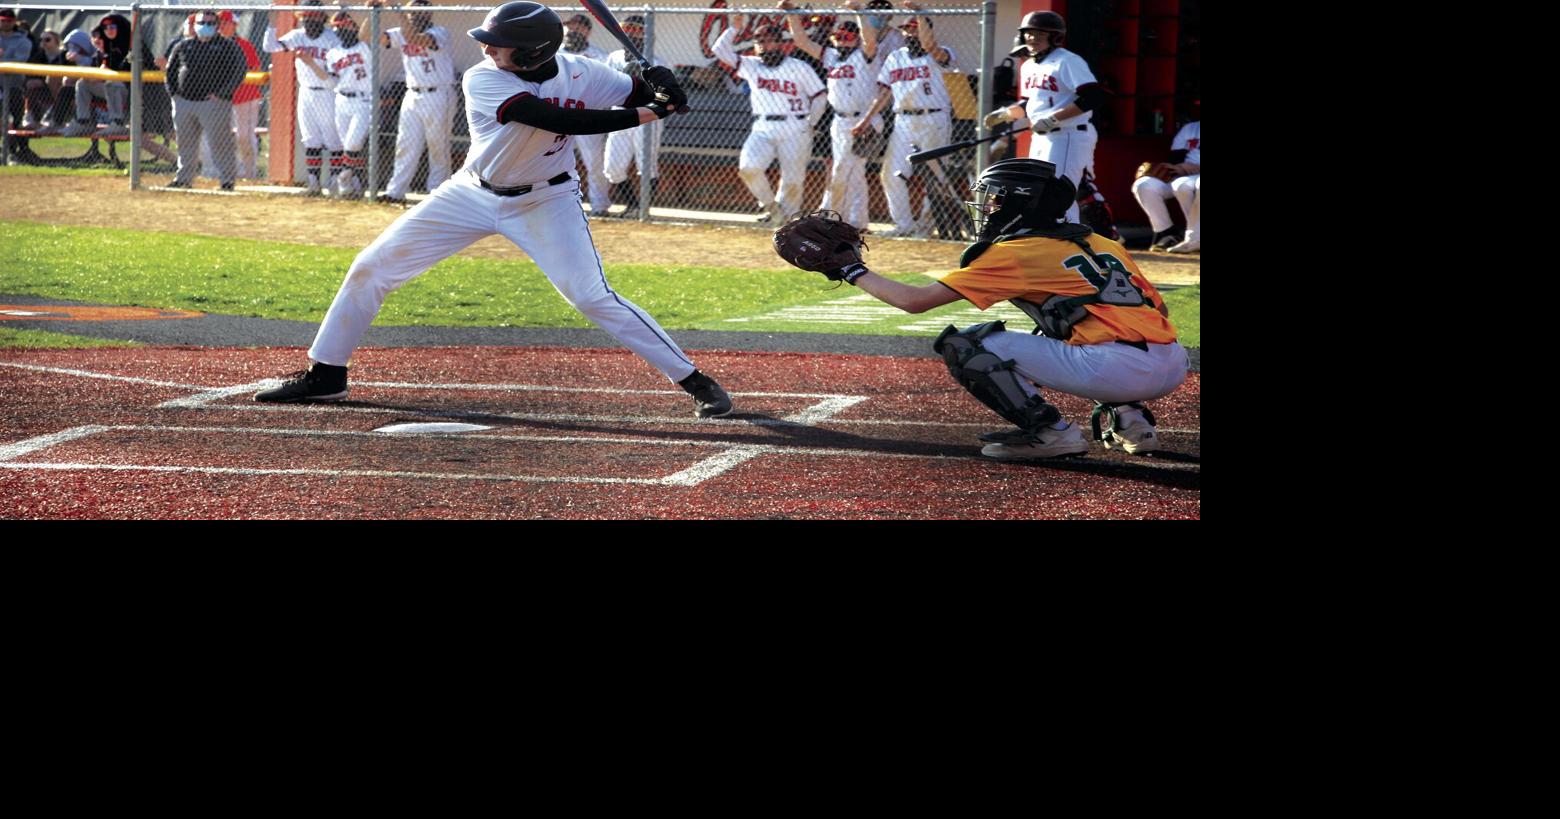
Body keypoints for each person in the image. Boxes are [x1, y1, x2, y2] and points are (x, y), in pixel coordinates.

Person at [253, 2, 733, 421]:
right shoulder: (484, 78)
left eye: (498, 44)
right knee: (370, 267)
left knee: (590, 297)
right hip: (470, 194)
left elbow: (635, 93)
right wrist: (652, 110)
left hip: (547, 199)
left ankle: (695, 381)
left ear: (532, 51)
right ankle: (327, 372)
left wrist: (660, 84)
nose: (487, 49)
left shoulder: (584, 73)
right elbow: (556, 119)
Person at [786, 158, 1187, 460]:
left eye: (994, 199)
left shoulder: (1014, 253)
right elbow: (1159, 307)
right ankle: (1133, 422)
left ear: (1019, 205)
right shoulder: (1103, 242)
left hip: (1118, 369)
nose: (988, 207)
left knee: (967, 346)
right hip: (1172, 361)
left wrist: (851, 268)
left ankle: (1052, 434)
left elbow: (913, 302)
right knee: (1060, 321)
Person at [981, 11, 1121, 241]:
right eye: (1028, 33)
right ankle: (1068, 238)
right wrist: (1006, 113)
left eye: (1039, 33)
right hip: (1043, 137)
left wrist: (1055, 118)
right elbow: (1030, 104)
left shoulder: (1068, 60)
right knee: (1042, 189)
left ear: (1055, 36)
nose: (1032, 38)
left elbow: (1093, 96)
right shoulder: (1028, 65)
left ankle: (1082, 239)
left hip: (1069, 134)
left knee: (1061, 191)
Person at [781, 0, 890, 231]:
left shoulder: (865, 54)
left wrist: (860, 12)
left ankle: (833, 218)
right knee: (855, 171)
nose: (841, 39)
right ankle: (857, 221)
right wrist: (791, 14)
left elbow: (869, 39)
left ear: (855, 38)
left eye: (847, 36)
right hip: (839, 121)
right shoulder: (830, 55)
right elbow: (801, 41)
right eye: (838, 36)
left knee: (843, 168)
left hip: (865, 120)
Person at [851, 5, 959, 238]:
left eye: (916, 28)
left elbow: (930, 46)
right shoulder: (895, 57)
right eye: (908, 30)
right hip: (903, 121)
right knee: (890, 173)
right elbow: (884, 93)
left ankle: (927, 226)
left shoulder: (941, 53)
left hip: (934, 118)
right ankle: (904, 225)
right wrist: (866, 120)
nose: (911, 33)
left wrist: (920, 13)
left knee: (936, 174)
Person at [713, 15, 826, 224]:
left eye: (769, 40)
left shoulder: (799, 66)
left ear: (781, 43)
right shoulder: (751, 65)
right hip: (762, 126)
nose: (764, 46)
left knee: (793, 178)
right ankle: (772, 208)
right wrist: (734, 29)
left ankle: (787, 220)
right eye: (759, 42)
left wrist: (811, 123)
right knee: (748, 167)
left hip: (796, 124)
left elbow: (820, 95)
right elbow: (719, 50)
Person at [378, 0, 456, 205]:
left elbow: (415, 39)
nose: (413, 16)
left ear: (428, 15)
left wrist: (398, 10)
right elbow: (367, 37)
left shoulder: (440, 33)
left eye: (418, 13)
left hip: (438, 93)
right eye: (412, 13)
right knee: (405, 144)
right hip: (411, 94)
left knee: (437, 146)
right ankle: (395, 191)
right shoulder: (400, 30)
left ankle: (437, 193)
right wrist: (373, 11)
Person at [264, 0, 343, 195]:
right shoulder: (298, 35)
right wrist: (272, 24)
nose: (308, 23)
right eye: (305, 18)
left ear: (322, 20)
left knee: (332, 139)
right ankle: (313, 183)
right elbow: (270, 47)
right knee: (310, 138)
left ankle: (334, 183)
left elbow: (336, 73)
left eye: (313, 18)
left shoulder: (332, 38)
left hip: (328, 93)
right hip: (306, 91)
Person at [165, 8, 247, 190]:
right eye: (201, 23)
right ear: (194, 25)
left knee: (220, 143)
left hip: (214, 103)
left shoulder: (228, 46)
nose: (205, 26)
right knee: (185, 143)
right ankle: (183, 179)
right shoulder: (183, 45)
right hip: (184, 102)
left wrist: (222, 94)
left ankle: (227, 181)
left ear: (217, 26)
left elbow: (239, 71)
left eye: (210, 23)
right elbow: (170, 71)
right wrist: (174, 94)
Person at [601, 15, 663, 218]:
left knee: (646, 166)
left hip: (647, 114)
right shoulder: (613, 57)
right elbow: (605, 85)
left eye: (636, 31)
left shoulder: (655, 60)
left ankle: (643, 209)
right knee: (613, 168)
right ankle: (633, 204)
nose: (631, 35)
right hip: (619, 114)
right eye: (627, 30)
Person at [560, 13, 611, 216]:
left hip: (589, 115)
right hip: (560, 115)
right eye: (569, 27)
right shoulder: (554, 55)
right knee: (555, 162)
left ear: (587, 31)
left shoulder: (599, 56)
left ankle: (599, 206)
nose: (571, 31)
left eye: (577, 27)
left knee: (594, 163)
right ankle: (561, 205)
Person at [319, 12, 373, 198]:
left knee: (353, 142)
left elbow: (366, 31)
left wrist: (372, 11)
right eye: (338, 28)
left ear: (353, 27)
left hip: (363, 99)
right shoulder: (333, 53)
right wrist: (311, 64)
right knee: (349, 146)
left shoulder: (363, 46)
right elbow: (331, 79)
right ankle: (354, 185)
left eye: (345, 27)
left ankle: (343, 176)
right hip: (341, 100)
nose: (341, 31)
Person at [1131, 114, 1199, 253]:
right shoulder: (1190, 129)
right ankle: (1167, 233)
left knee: (1184, 186)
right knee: (1145, 185)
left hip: (1191, 175)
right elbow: (1175, 159)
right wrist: (1174, 168)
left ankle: (1194, 237)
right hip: (1185, 174)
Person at [219, 10, 263, 179]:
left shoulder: (244, 45)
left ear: (234, 25)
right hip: (222, 98)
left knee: (244, 136)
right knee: (222, 136)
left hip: (246, 97)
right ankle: (231, 171)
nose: (221, 26)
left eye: (225, 23)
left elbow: (255, 69)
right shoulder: (212, 45)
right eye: (220, 23)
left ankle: (250, 172)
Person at [2, 8, 39, 131]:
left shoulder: (24, 40)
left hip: (14, 85)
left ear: (14, 22)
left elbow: (19, 62)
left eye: (9, 21)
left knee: (18, 116)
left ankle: (22, 148)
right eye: (2, 20)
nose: (5, 23)